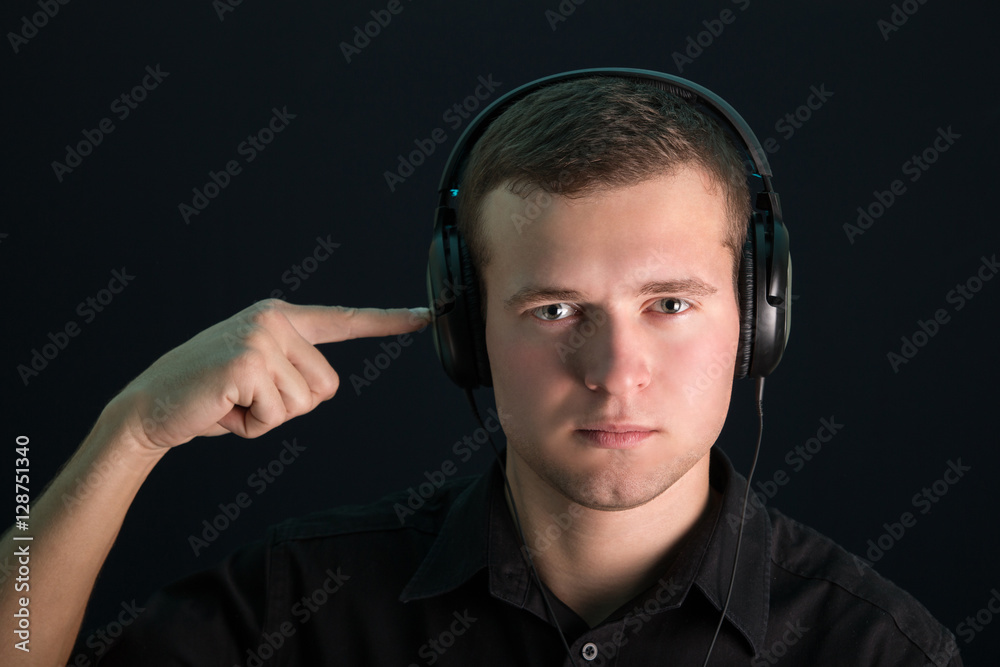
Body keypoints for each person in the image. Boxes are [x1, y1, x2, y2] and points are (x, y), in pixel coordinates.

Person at [1, 71, 960, 666]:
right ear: (466, 330)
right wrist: (132, 432)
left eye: (669, 305)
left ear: (758, 316)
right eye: (556, 310)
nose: (614, 369)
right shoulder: (303, 605)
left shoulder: (877, 649)